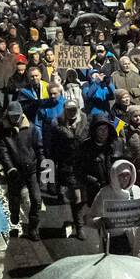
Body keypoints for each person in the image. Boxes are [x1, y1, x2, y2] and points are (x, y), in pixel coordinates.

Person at [0, 101, 43, 240]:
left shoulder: (31, 128)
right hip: (14, 171)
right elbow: (2, 151)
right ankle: (14, 213)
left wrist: (44, 167)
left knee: (36, 199)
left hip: (31, 169)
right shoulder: (1, 129)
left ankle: (33, 228)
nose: (15, 119)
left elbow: (39, 148)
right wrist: (10, 168)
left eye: (17, 116)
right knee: (15, 198)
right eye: (12, 116)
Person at [89, 160, 140, 258]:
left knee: (138, 270)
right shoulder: (104, 193)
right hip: (115, 245)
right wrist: (98, 222)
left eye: (127, 174)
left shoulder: (136, 190)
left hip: (138, 242)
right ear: (114, 175)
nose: (125, 178)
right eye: (121, 175)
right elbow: (90, 218)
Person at [49, 99, 89, 239]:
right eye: (69, 110)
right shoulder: (58, 125)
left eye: (74, 109)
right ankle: (79, 227)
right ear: (65, 110)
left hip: (84, 166)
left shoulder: (85, 122)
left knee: (84, 198)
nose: (71, 112)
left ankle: (78, 219)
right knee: (77, 197)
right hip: (68, 166)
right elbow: (52, 148)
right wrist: (51, 174)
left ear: (78, 109)